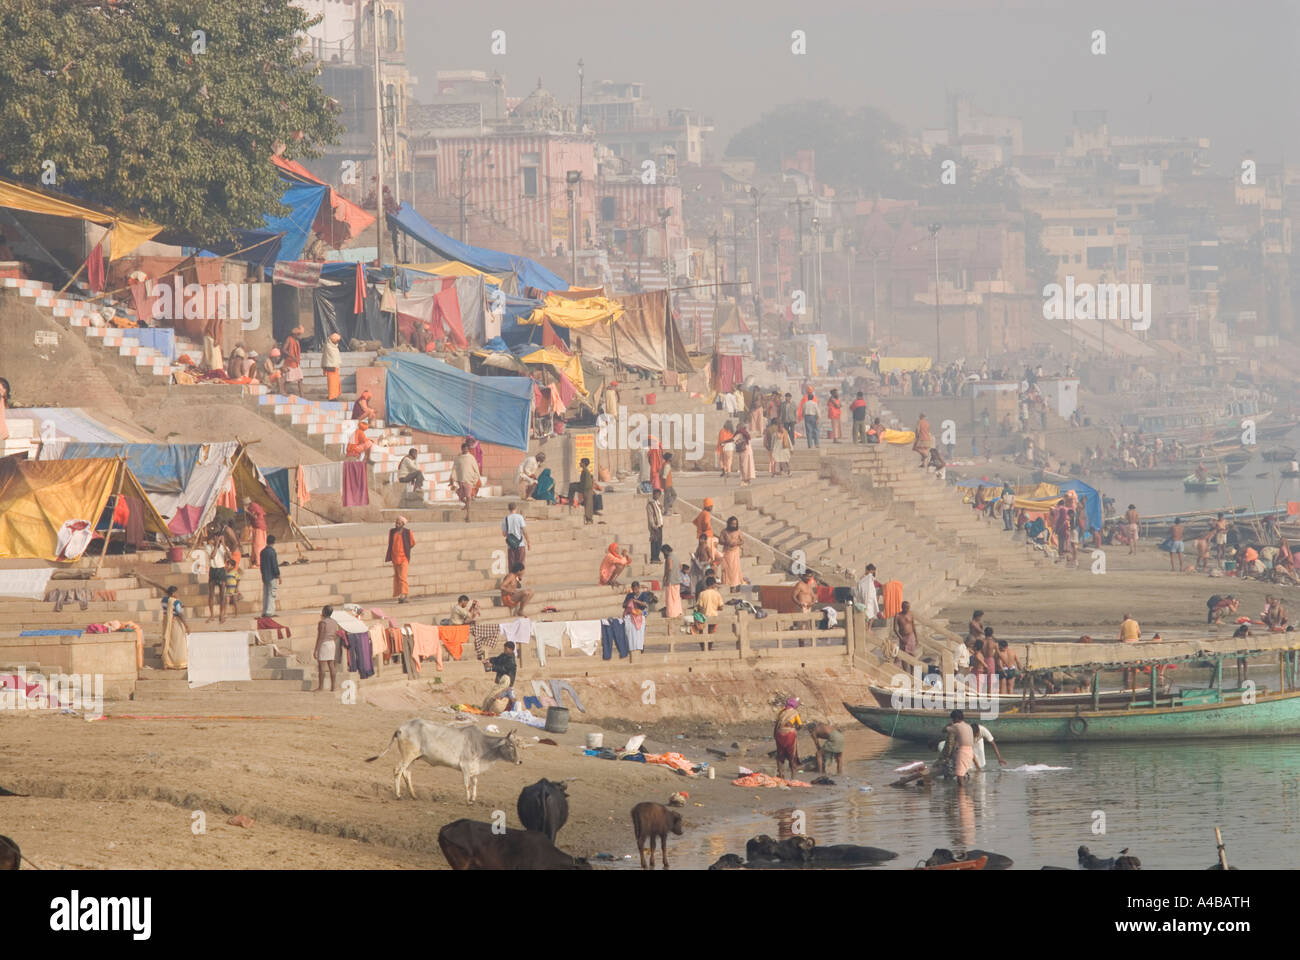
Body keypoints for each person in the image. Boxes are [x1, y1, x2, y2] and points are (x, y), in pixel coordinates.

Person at [386, 516, 415, 603]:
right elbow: (390, 543)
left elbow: (412, 543)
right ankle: (402, 595)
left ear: (403, 524)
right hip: (395, 558)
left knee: (403, 577)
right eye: (396, 523)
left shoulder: (408, 532)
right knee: (397, 578)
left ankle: (403, 594)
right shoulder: (392, 532)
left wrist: (405, 549)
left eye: (399, 523)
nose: (397, 524)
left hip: (404, 558)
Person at [160, 585, 189, 670]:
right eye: (177, 592)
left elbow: (169, 607)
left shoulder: (163, 600)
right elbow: (180, 613)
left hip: (167, 623)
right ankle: (178, 663)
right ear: (173, 593)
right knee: (178, 644)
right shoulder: (175, 602)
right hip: (176, 624)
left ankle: (167, 662)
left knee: (168, 642)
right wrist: (186, 625)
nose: (178, 594)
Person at [773, 697, 802, 780]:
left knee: (780, 755)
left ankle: (781, 774)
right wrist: (795, 726)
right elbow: (800, 725)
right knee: (792, 755)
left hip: (779, 734)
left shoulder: (781, 712)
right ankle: (793, 778)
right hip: (790, 734)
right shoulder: (795, 713)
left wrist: (775, 735)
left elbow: (777, 724)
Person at [451, 441, 480, 522]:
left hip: (469, 480)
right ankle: (466, 505)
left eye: (467, 449)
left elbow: (476, 470)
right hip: (460, 480)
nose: (466, 450)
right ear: (462, 449)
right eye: (464, 449)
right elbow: (454, 468)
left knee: (468, 497)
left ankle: (468, 516)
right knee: (460, 496)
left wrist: (475, 479)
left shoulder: (471, 458)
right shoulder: (458, 458)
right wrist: (452, 478)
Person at [943, 709, 976, 781]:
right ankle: (963, 791)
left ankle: (961, 792)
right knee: (963, 774)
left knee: (959, 777)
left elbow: (944, 730)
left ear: (956, 718)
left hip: (963, 751)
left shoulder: (956, 725)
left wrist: (949, 724)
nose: (952, 721)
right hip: (971, 751)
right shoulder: (968, 726)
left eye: (953, 719)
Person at [315, 605, 338, 693]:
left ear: (324, 612)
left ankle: (321, 687)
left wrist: (316, 649)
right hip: (332, 643)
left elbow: (320, 636)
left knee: (322, 667)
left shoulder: (322, 622)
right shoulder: (334, 622)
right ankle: (333, 687)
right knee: (331, 666)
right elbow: (335, 634)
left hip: (324, 644)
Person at [695, 576, 724, 644]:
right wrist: (715, 607)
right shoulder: (717, 594)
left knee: (702, 634)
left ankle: (703, 648)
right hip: (713, 616)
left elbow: (699, 607)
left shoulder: (702, 594)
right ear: (714, 584)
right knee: (711, 633)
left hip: (703, 617)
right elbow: (721, 607)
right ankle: (709, 647)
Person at [718, 516, 744, 589]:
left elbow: (742, 541)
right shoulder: (724, 531)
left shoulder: (738, 531)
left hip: (735, 553)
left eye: (735, 524)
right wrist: (727, 542)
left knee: (734, 570)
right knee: (727, 570)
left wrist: (736, 543)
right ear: (729, 524)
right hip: (727, 553)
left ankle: (734, 587)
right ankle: (727, 586)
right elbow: (720, 541)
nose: (734, 525)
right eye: (732, 524)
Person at [502, 501, 529, 569]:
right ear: (516, 508)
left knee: (512, 566)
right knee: (520, 565)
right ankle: (518, 579)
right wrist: (528, 542)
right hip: (520, 544)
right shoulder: (520, 517)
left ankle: (512, 579)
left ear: (509, 509)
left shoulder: (505, 519)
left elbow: (504, 534)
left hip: (511, 545)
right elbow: (524, 531)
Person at [259, 534, 281, 617]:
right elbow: (274, 565)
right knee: (271, 594)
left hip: (265, 576)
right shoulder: (272, 552)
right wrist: (278, 575)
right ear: (273, 542)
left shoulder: (262, 552)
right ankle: (270, 612)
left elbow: (261, 565)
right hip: (272, 576)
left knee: (266, 594)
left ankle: (264, 611)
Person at [243, 496, 267, 570]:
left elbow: (255, 517)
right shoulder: (254, 505)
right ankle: (255, 561)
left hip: (258, 527)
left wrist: (247, 512)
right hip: (258, 527)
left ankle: (258, 563)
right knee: (256, 545)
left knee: (257, 545)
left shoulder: (253, 506)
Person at [1119, 612, 1141, 689]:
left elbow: (1120, 638)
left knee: (1127, 661)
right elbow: (1139, 634)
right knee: (1135, 660)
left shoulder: (1122, 624)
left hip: (1126, 644)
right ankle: (1133, 677)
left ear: (1124, 618)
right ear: (1130, 618)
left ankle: (1127, 680)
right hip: (1135, 643)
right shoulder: (1135, 622)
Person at [281, 326, 304, 397]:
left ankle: (301, 394)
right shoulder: (289, 339)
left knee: (300, 378)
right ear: (295, 334)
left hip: (296, 363)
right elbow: (283, 349)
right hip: (289, 362)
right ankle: (282, 391)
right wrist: (291, 356)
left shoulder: (297, 341)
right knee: (288, 380)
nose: (299, 336)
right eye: (298, 334)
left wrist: (296, 358)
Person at [893, 600, 917, 667]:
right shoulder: (898, 616)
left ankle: (912, 673)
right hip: (903, 637)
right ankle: (906, 672)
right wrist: (901, 638)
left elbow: (913, 626)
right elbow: (895, 629)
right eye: (906, 608)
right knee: (904, 656)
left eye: (908, 608)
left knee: (912, 655)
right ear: (902, 607)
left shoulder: (911, 614)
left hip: (911, 636)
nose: (907, 609)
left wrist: (916, 638)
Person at [662, 544, 683, 618]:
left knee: (670, 598)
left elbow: (670, 567)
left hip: (671, 580)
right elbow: (681, 567)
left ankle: (671, 614)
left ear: (665, 551)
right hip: (677, 580)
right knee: (676, 597)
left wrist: (665, 576)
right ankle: (678, 612)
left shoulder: (669, 557)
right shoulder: (676, 556)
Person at [321, 332, 343, 400]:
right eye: (336, 340)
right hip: (330, 367)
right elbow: (328, 358)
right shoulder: (328, 346)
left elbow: (336, 357)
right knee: (332, 383)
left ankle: (335, 395)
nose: (337, 342)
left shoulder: (334, 347)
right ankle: (331, 397)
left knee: (336, 382)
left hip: (335, 367)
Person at [646, 489, 665, 563]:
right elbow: (650, 516)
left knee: (659, 543)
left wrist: (661, 508)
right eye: (656, 494)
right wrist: (654, 526)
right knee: (654, 542)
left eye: (659, 495)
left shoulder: (658, 503)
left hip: (660, 525)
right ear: (653, 494)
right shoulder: (650, 504)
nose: (657, 496)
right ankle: (654, 558)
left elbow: (661, 513)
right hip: (655, 527)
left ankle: (657, 557)